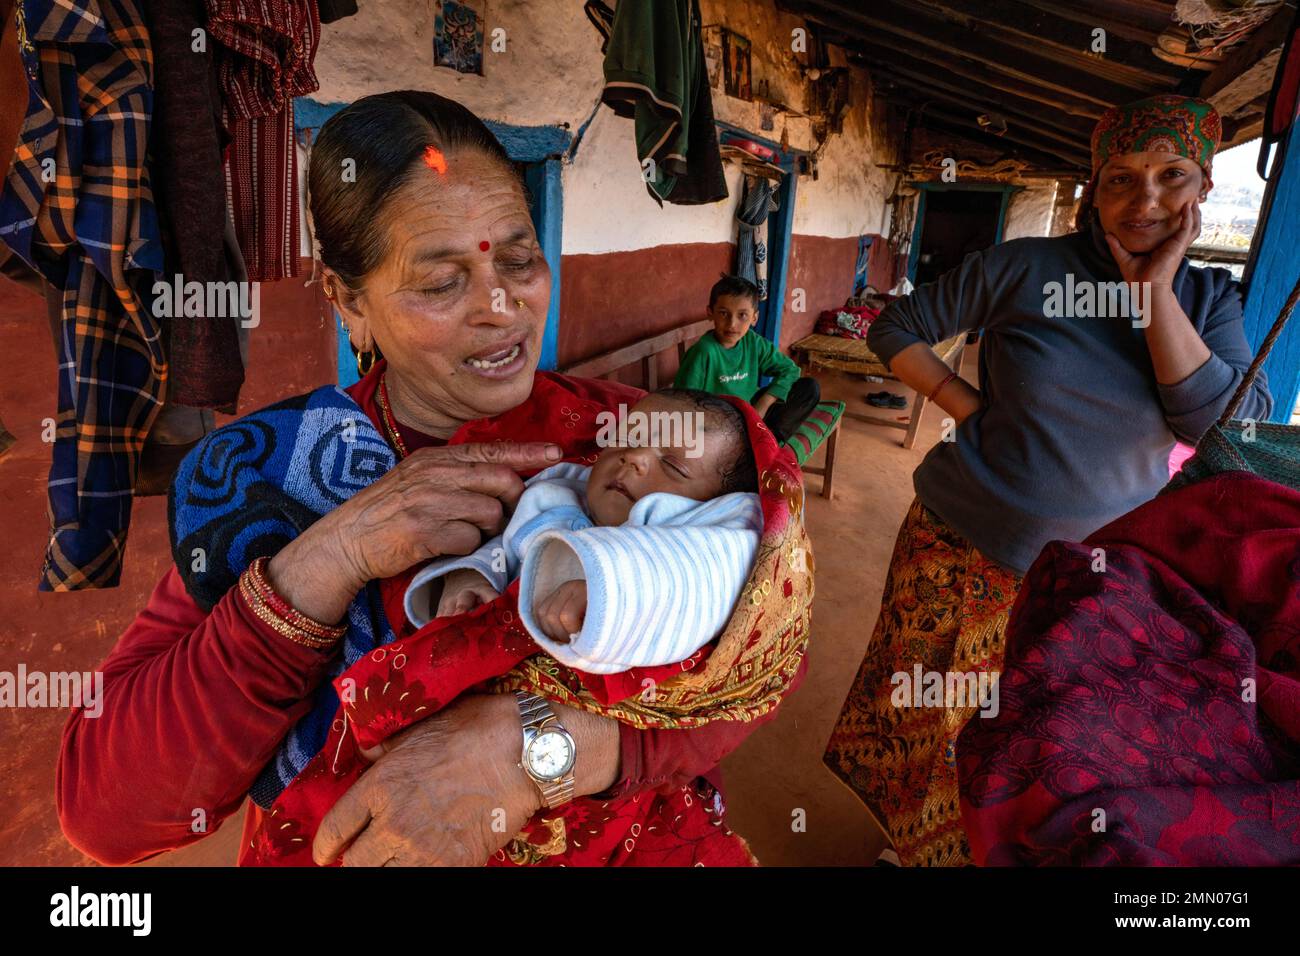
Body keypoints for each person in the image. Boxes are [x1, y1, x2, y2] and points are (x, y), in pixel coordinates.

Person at [56, 90, 813, 868]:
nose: (501, 307)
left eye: (518, 260)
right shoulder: (269, 474)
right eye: (440, 281)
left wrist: (541, 750)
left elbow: (773, 647)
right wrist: (335, 555)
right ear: (348, 297)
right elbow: (104, 813)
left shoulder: (630, 434)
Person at [823, 94, 1273, 867]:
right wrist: (968, 404)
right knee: (927, 715)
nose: (1147, 200)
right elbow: (895, 326)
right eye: (1121, 179)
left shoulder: (1208, 300)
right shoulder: (1024, 268)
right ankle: (904, 846)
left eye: (1173, 176)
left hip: (1088, 576)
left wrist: (1154, 296)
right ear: (1092, 190)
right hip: (958, 546)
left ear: (1202, 190)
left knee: (1029, 736)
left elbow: (1227, 430)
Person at [407, 387, 762, 673]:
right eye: (626, 440)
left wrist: (614, 595)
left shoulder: (701, 537)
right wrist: (469, 577)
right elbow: (506, 544)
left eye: (673, 465)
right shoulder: (558, 495)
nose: (634, 458)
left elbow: (706, 577)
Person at [674, 274, 821, 443]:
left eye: (742, 315)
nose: (732, 324)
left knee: (809, 389)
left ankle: (767, 441)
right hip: (719, 423)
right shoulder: (703, 352)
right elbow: (683, 401)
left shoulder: (752, 341)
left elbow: (790, 369)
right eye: (723, 313)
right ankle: (753, 443)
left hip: (752, 415)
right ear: (710, 313)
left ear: (754, 318)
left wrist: (763, 404)